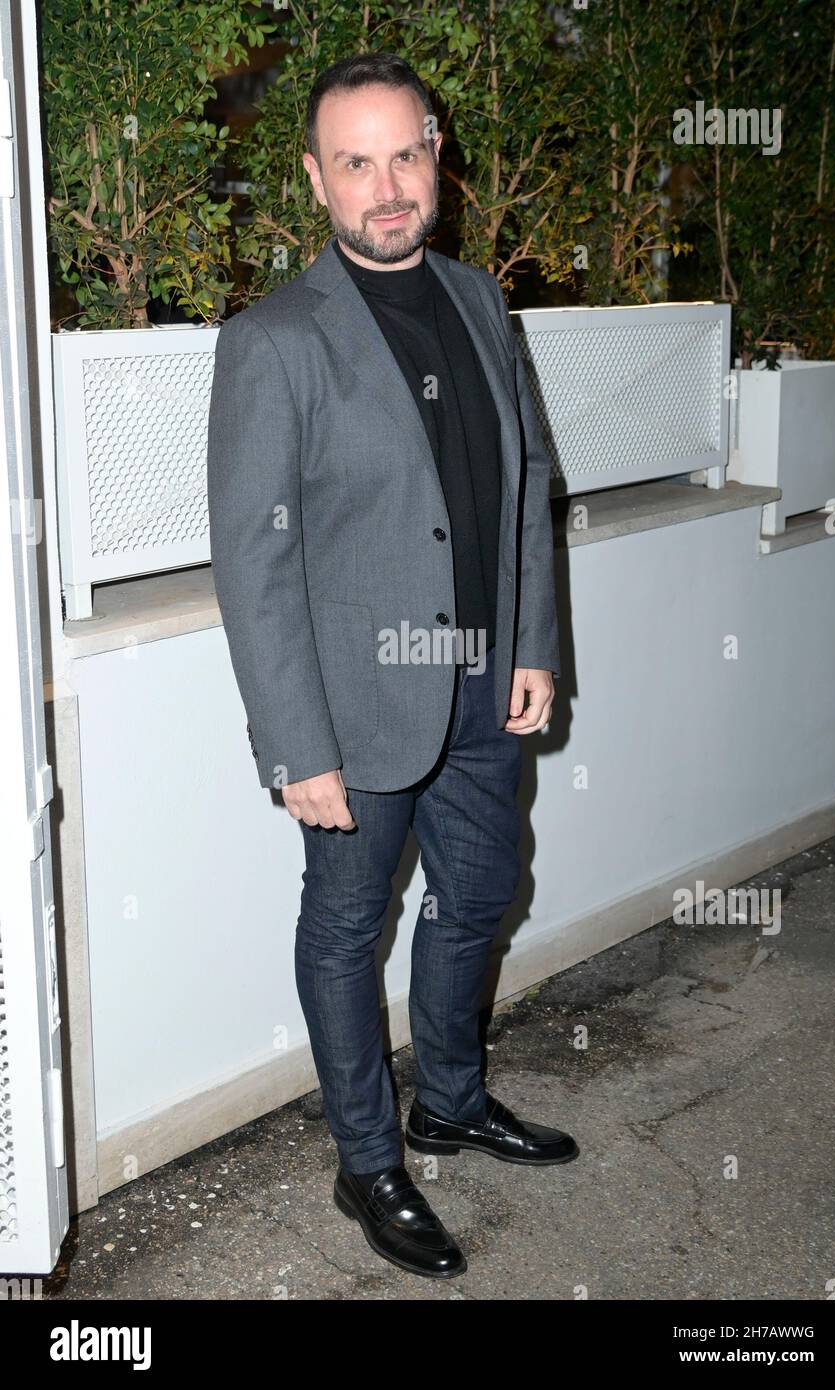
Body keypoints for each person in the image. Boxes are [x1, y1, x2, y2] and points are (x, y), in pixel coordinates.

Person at [206, 51, 577, 1281]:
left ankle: (451, 1100)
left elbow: (529, 483)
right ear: (317, 180)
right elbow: (254, 562)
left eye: (404, 153)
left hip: (481, 680)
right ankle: (367, 1158)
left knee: (480, 896)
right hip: (356, 705)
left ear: (436, 156)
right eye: (355, 162)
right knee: (347, 925)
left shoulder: (480, 300)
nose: (386, 185)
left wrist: (531, 643)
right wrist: (294, 743)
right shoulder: (273, 341)